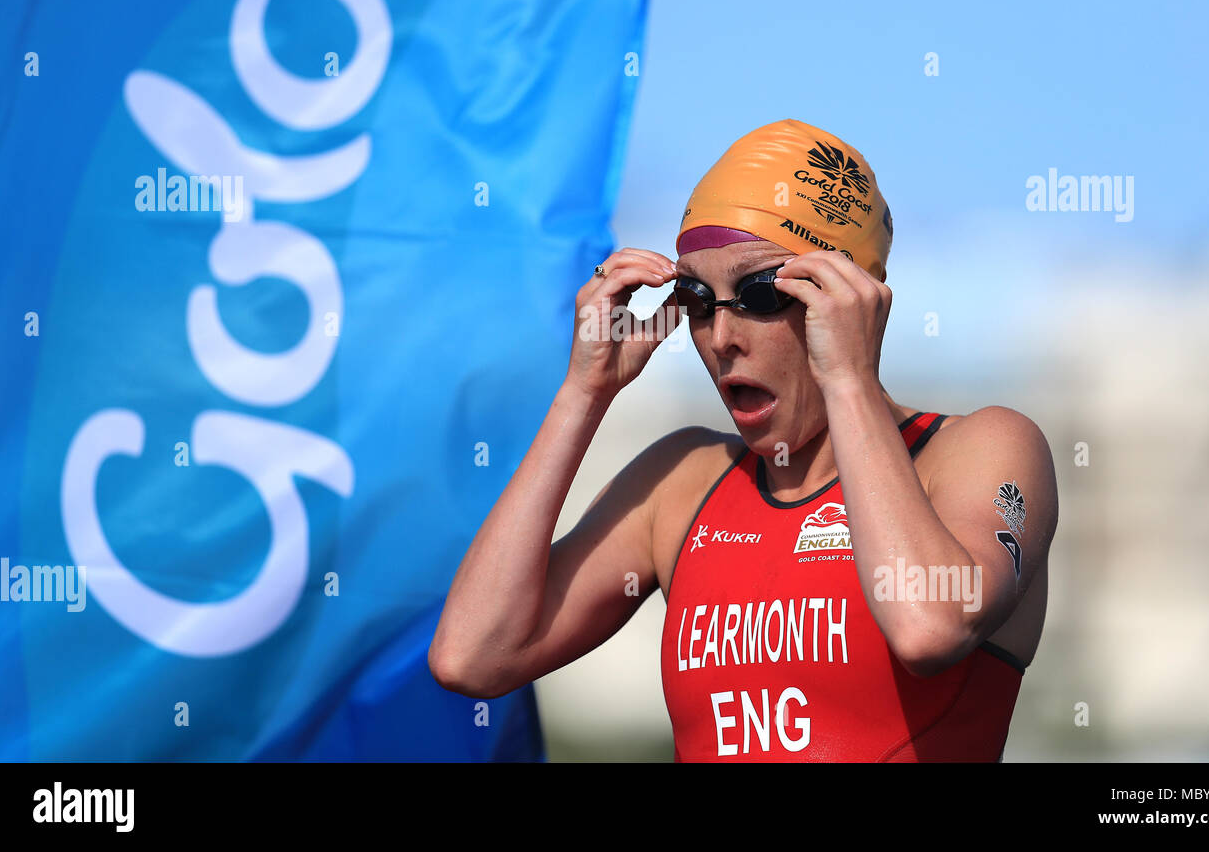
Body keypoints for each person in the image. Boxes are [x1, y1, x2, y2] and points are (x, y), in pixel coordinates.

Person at [430, 118, 1058, 761]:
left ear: (849, 296)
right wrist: (582, 394)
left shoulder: (976, 451)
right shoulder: (681, 483)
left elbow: (928, 626)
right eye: (699, 300)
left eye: (760, 293)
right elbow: (472, 655)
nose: (722, 336)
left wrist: (849, 379)